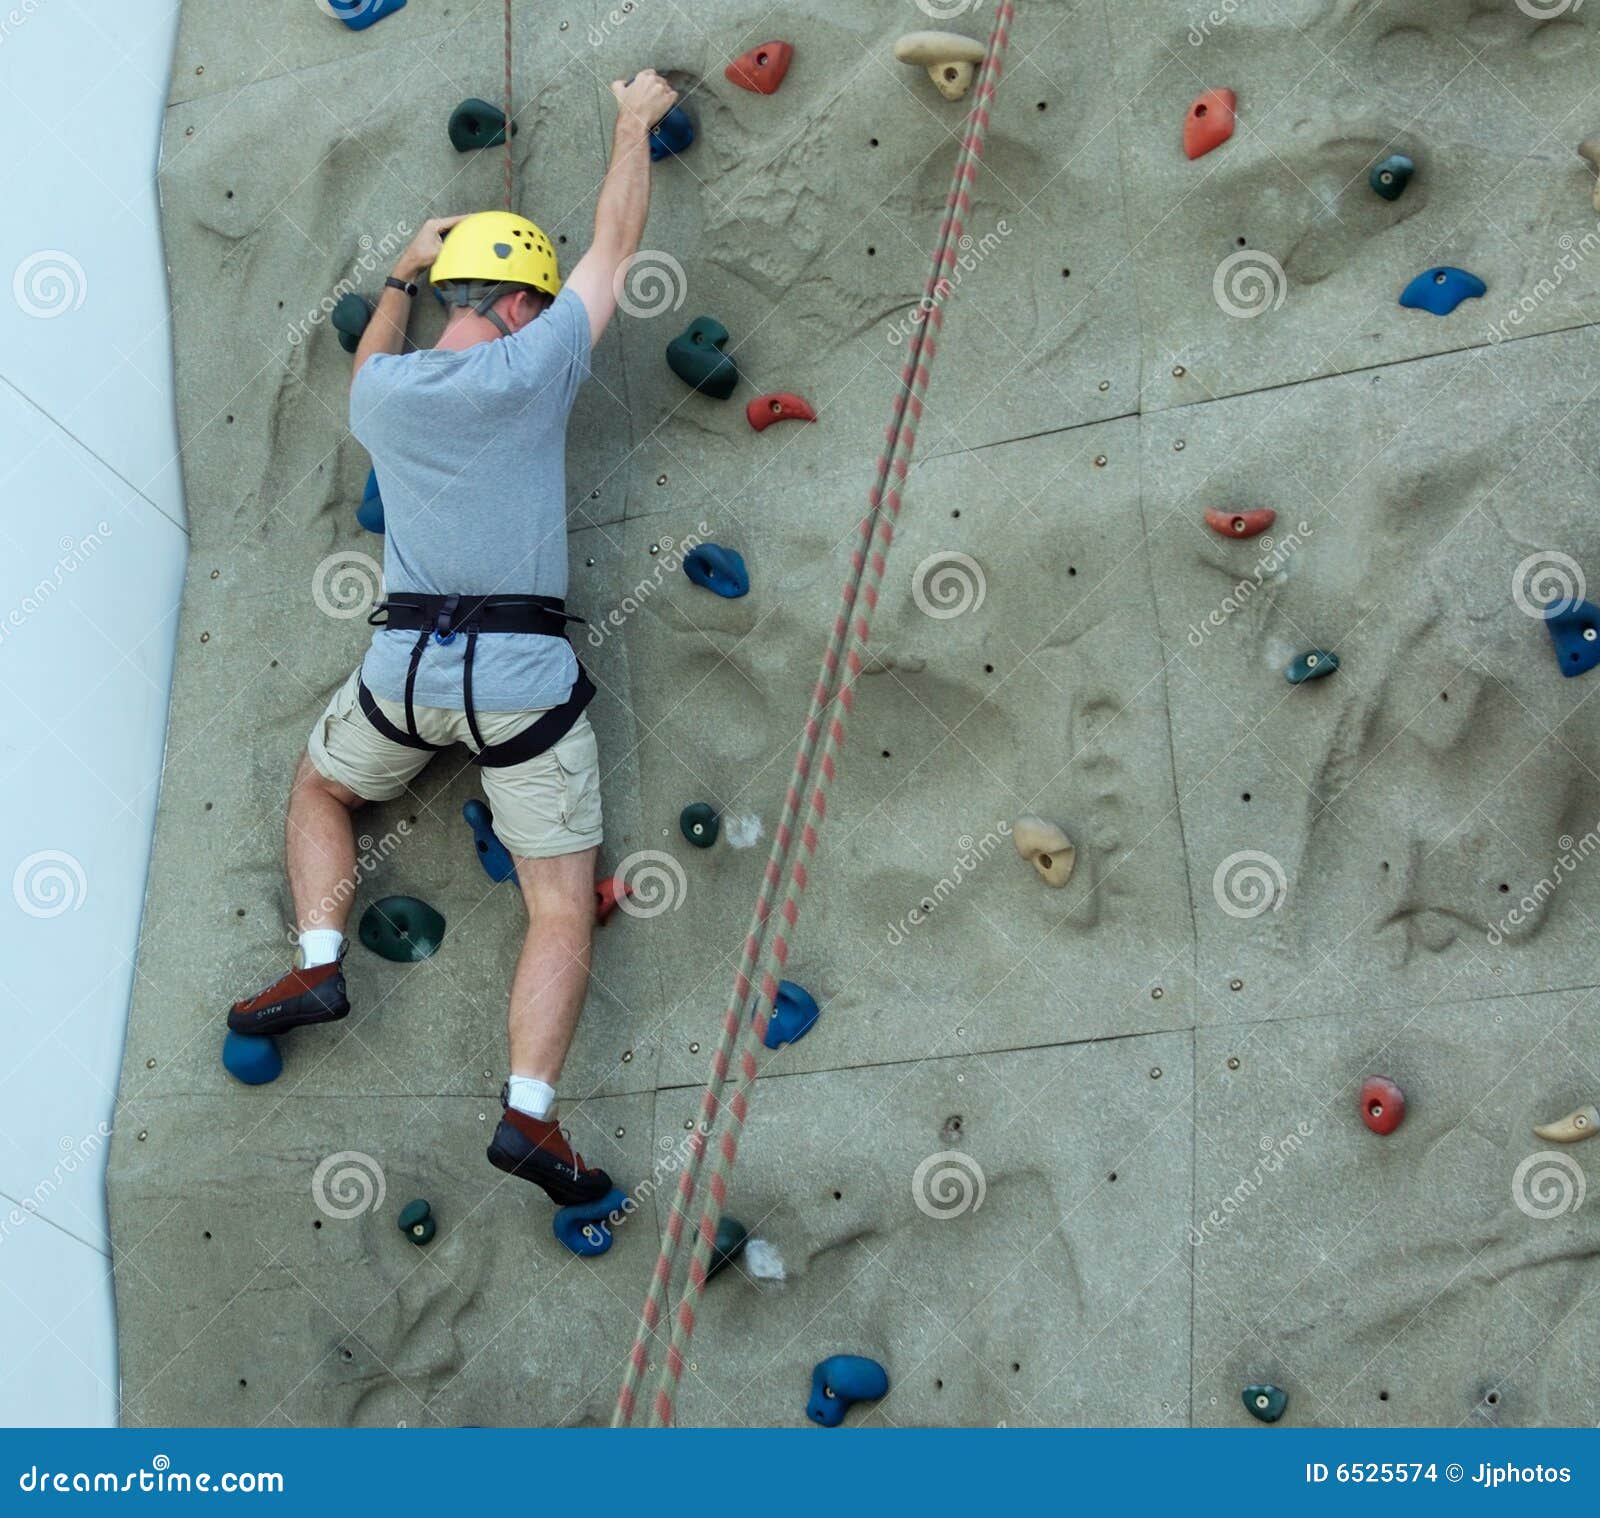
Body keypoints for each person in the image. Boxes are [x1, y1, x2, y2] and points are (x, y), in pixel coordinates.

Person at [226, 70, 680, 1208]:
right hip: (523, 687)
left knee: (323, 794)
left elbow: (371, 354)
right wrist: (630, 125)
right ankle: (529, 1116)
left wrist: (397, 273)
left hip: (405, 675)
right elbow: (618, 240)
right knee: (559, 907)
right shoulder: (536, 365)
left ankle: (319, 969)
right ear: (525, 304)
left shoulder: (386, 397)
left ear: (449, 296)